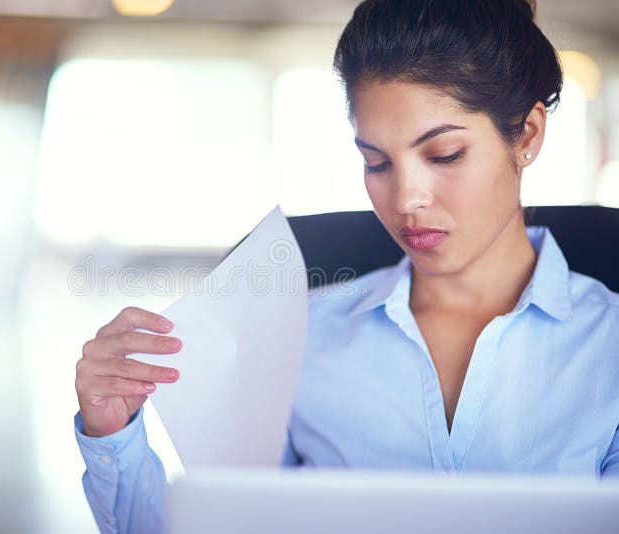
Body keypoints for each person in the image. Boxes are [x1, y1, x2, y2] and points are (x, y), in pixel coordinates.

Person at [73, 0, 619, 532]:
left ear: (527, 135)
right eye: (376, 162)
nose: (406, 198)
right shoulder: (296, 338)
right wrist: (114, 435)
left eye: (444, 155)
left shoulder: (608, 348)